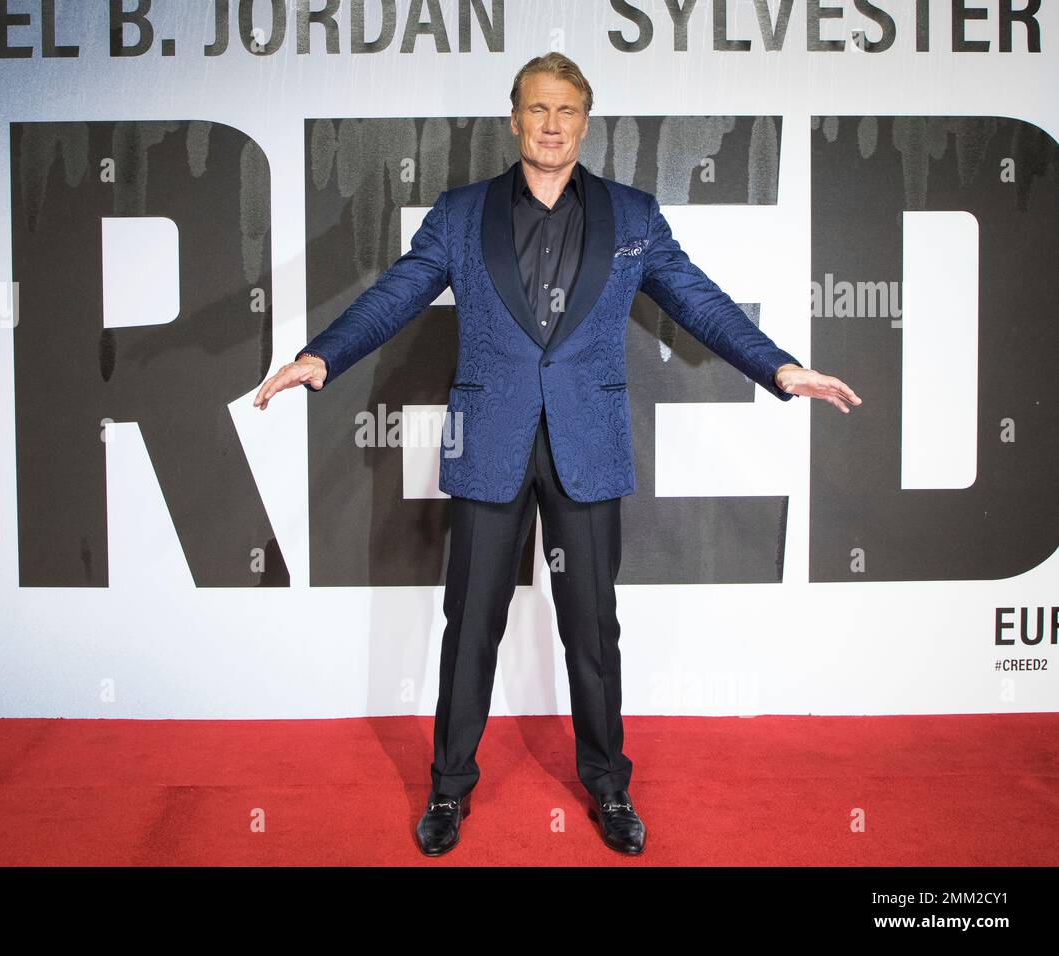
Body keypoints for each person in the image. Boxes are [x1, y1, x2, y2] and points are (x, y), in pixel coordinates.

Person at [254, 53, 861, 857]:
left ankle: (610, 789)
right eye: (538, 109)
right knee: (470, 623)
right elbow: (397, 292)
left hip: (587, 446)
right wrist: (320, 356)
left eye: (567, 110)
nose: (551, 124)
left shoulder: (633, 215)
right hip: (491, 447)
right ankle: (447, 789)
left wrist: (782, 368)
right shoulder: (461, 213)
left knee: (592, 627)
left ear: (585, 119)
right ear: (514, 119)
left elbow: (700, 302)